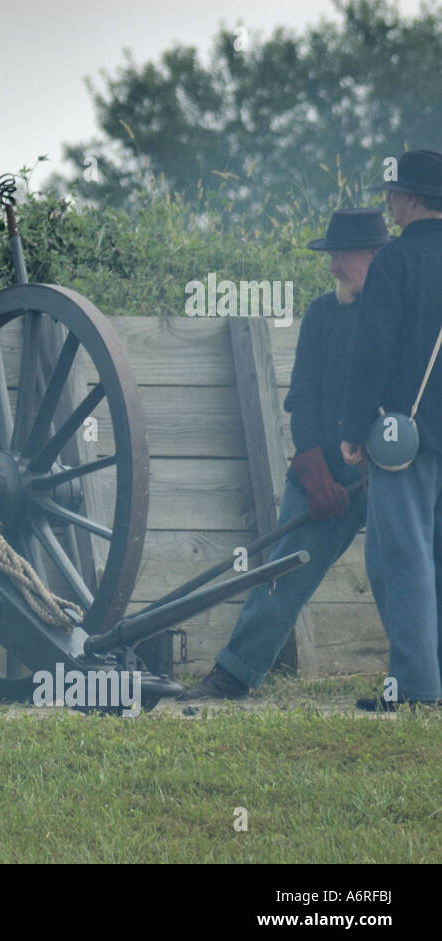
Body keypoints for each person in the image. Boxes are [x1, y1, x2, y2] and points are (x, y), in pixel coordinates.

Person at [182, 208, 387, 700]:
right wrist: (313, 465)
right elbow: (304, 395)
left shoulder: (402, 311)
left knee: (406, 575)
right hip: (330, 469)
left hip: (391, 471)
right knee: (281, 574)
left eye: (340, 255)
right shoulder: (321, 313)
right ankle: (233, 674)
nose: (333, 266)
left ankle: (423, 681)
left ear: (372, 255)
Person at [341, 150, 442, 711]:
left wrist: (354, 428)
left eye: (394, 193)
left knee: (402, 559)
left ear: (411, 199)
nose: (389, 201)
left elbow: (372, 351)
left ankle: (416, 687)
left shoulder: (396, 261)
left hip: (407, 440)